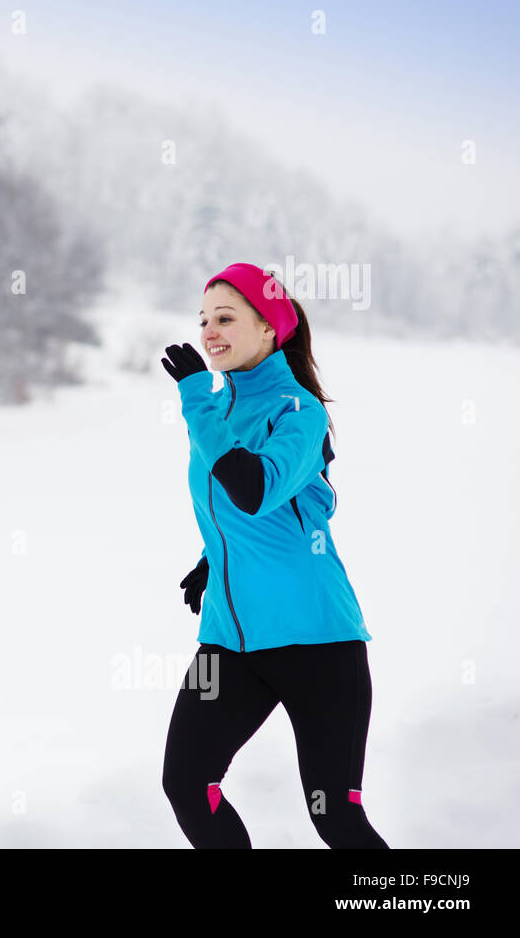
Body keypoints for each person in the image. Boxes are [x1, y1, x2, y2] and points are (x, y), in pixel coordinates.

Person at [158, 262, 389, 849]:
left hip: (318, 645)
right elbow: (238, 510)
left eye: (226, 317)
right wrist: (214, 559)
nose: (209, 330)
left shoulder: (298, 413)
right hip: (230, 645)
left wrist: (194, 401)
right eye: (204, 318)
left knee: (335, 815)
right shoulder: (222, 409)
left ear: (270, 329)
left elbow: (255, 488)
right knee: (188, 784)